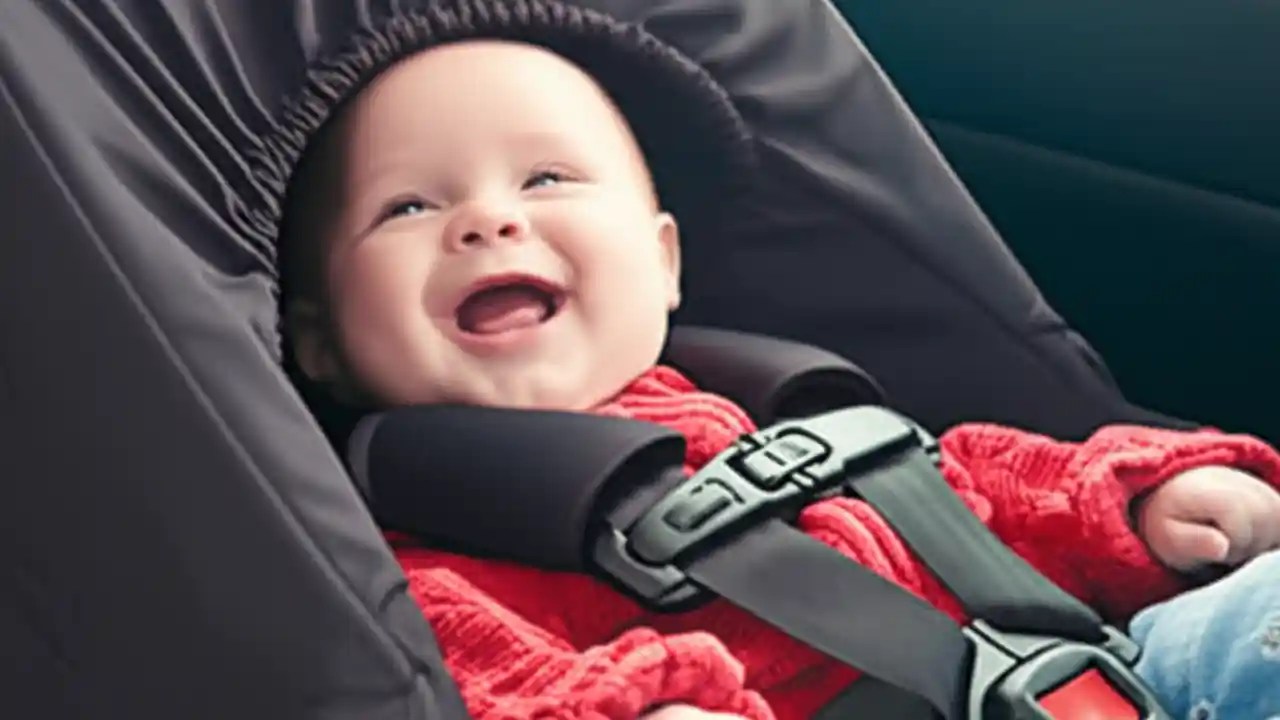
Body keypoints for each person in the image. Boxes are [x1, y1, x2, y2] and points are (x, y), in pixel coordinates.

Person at [277, 32, 1280, 720]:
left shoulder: (781, 408)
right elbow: (488, 682)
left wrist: (1137, 504)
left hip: (1107, 675)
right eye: (407, 207)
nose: (488, 220)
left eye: (547, 179)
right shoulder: (412, 570)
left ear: (663, 262)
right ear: (316, 341)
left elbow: (972, 493)